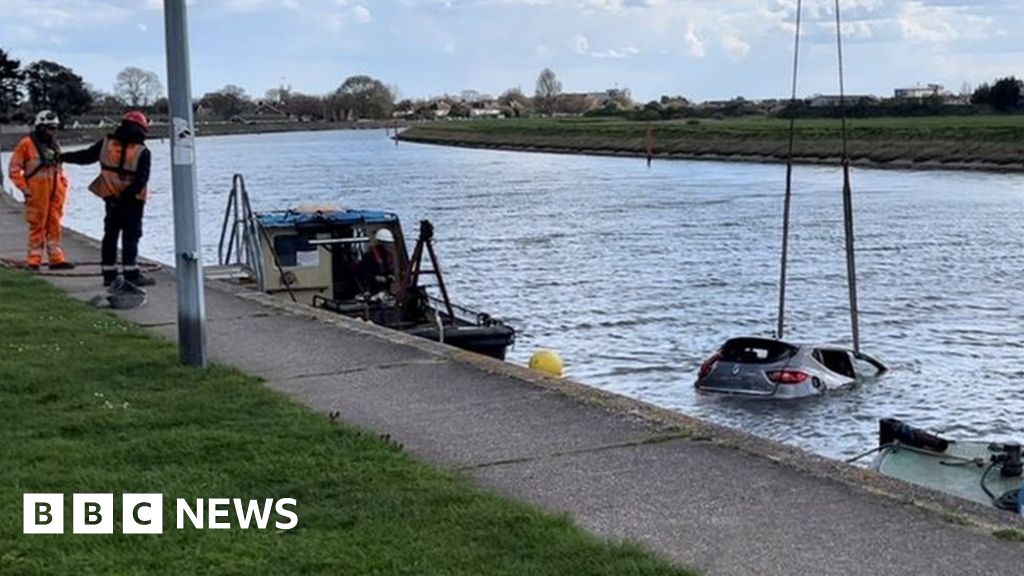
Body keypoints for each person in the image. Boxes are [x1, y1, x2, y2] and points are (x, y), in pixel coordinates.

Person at [62, 111, 153, 287]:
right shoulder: (142, 151)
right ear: (142, 130)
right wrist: (126, 196)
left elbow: (85, 157)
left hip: (110, 197)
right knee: (131, 236)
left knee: (110, 235)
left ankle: (109, 274)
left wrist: (62, 157)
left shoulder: (107, 144)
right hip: (132, 201)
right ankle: (131, 274)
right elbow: (142, 179)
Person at [7, 110, 75, 271]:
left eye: (55, 128)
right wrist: (25, 189)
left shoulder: (54, 144)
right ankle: (34, 260)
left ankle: (56, 259)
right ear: (41, 127)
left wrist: (63, 185)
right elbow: (14, 169)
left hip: (55, 192)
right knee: (37, 226)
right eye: (50, 128)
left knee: (54, 225)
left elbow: (58, 168)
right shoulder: (26, 144)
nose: (53, 131)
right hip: (37, 192)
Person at [358, 228, 396, 295]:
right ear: (381, 243)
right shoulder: (369, 256)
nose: (389, 246)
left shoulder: (389, 256)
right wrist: (375, 278)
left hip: (385, 290)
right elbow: (363, 273)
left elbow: (391, 270)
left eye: (390, 243)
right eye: (387, 243)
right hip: (371, 289)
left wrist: (391, 276)